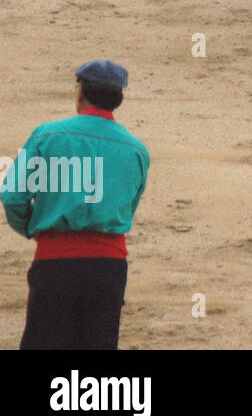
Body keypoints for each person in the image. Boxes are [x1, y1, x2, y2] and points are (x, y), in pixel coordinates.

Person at [2, 60, 150, 349]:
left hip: (55, 262)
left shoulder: (47, 135)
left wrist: (35, 230)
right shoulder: (136, 149)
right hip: (110, 266)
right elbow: (128, 208)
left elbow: (12, 196)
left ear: (81, 93)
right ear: (119, 99)